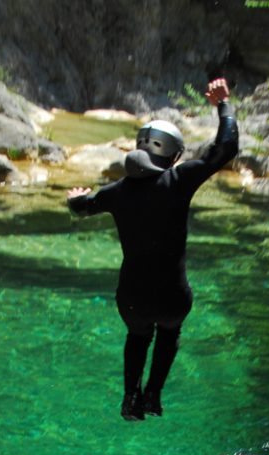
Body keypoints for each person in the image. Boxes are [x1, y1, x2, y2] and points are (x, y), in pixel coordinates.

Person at [67, 78, 239, 421]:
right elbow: (225, 149)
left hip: (132, 299)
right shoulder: (180, 180)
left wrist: (75, 199)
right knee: (169, 332)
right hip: (173, 296)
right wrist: (224, 106)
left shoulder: (116, 192)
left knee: (137, 336)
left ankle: (130, 398)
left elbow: (82, 207)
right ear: (174, 155)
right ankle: (153, 396)